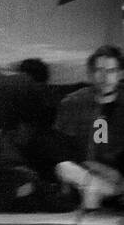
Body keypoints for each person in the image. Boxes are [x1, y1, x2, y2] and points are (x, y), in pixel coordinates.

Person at [53, 45, 124, 209]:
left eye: (111, 71)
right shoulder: (74, 102)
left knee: (92, 189)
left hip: (117, 175)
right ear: (91, 73)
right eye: (100, 70)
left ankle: (96, 196)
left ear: (120, 73)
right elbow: (61, 150)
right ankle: (95, 192)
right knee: (64, 168)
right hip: (84, 172)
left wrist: (114, 172)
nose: (105, 77)